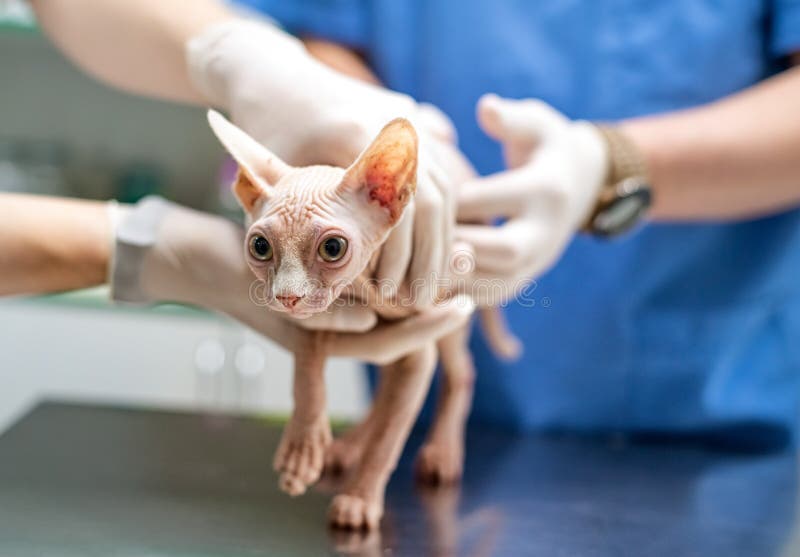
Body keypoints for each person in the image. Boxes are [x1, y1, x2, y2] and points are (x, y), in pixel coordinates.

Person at [223, 0, 800, 450]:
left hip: (706, 420)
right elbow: (321, 34)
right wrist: (357, 141)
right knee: (415, 355)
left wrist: (609, 165)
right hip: (424, 416)